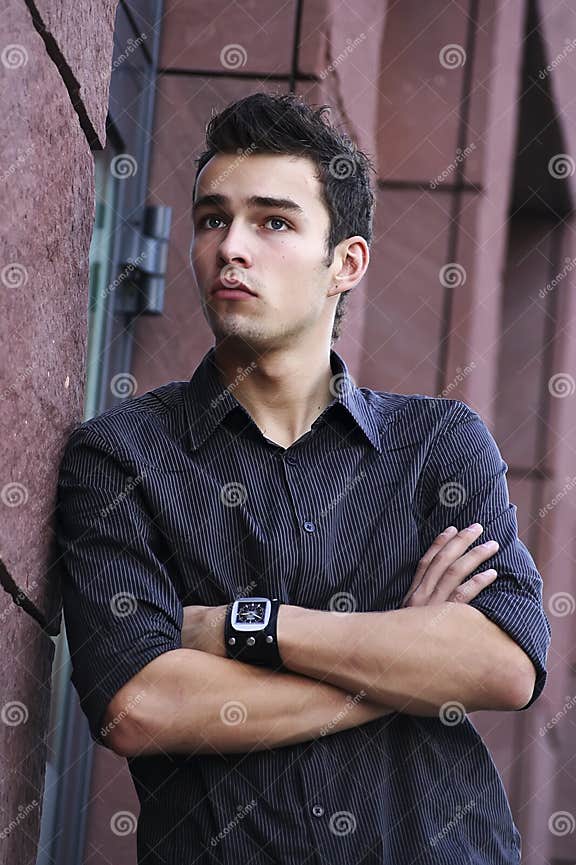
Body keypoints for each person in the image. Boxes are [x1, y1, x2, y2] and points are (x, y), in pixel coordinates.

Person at [56, 92, 551, 865]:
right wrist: (400, 660)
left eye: (274, 222)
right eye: (213, 218)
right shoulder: (120, 456)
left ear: (345, 263)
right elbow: (141, 706)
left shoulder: (438, 444)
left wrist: (242, 627)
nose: (231, 247)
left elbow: (503, 664)